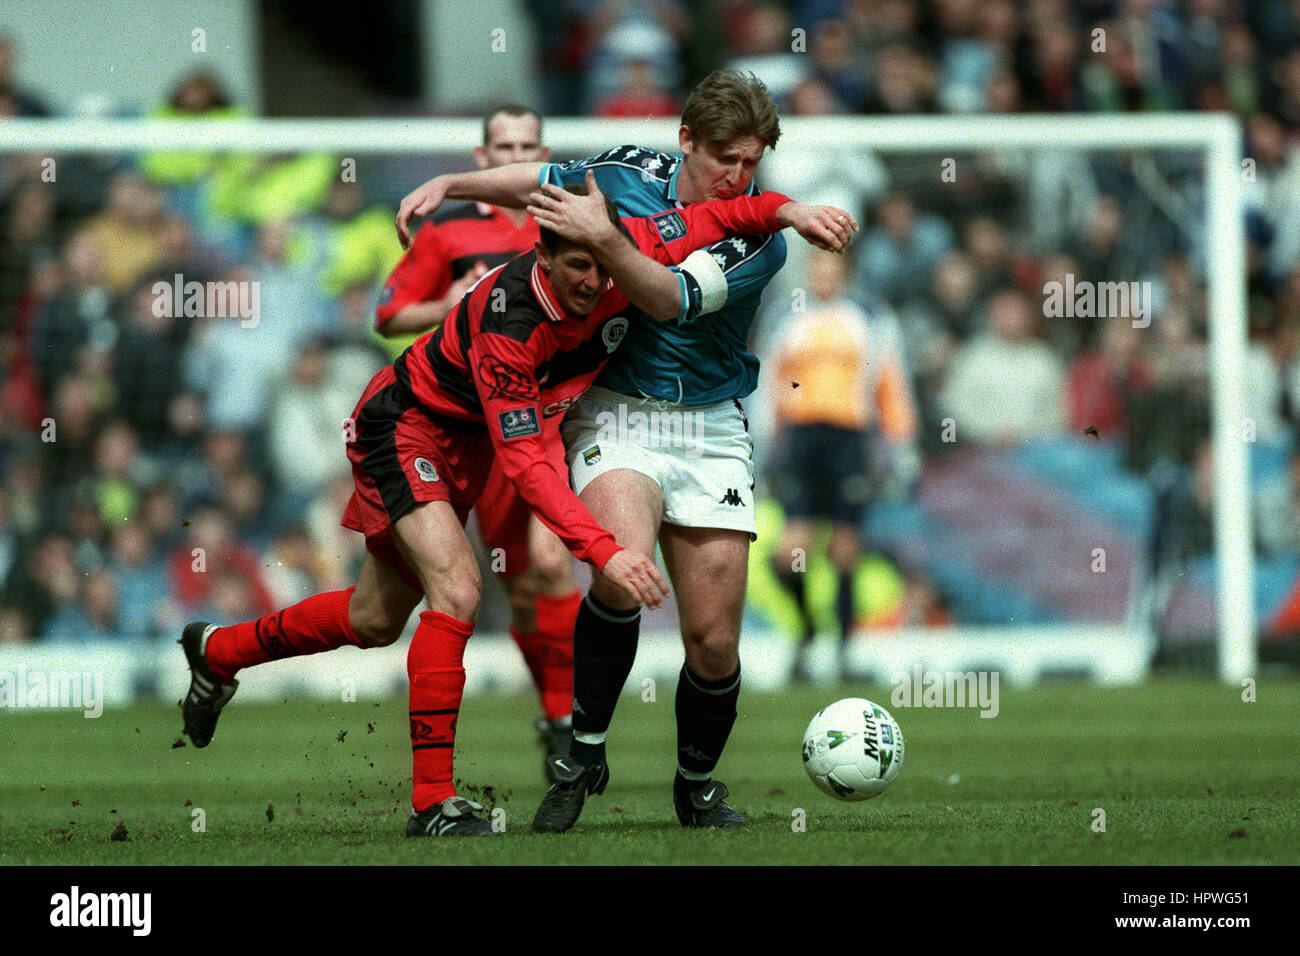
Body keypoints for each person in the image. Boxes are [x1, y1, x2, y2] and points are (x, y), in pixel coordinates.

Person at [182, 177, 840, 838]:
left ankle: (217, 653)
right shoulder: (510, 320)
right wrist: (604, 550)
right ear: (545, 256)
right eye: (576, 264)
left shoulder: (624, 243)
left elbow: (716, 215)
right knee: (458, 590)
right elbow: (529, 465)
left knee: (375, 618)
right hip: (405, 427)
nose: (592, 278)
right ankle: (433, 803)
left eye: (599, 260)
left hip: (465, 445)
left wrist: (791, 211)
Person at [395, 70, 857, 831]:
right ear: (685, 143)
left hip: (710, 426)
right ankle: (581, 755)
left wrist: (610, 238)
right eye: (723, 159)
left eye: (752, 163)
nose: (737, 177)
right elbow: (542, 182)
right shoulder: (626, 172)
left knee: (712, 640)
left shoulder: (761, 240)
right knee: (617, 569)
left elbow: (667, 297)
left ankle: (696, 785)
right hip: (617, 415)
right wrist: (451, 179)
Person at [376, 106, 581, 780]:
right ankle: (553, 716)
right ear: (483, 156)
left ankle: (567, 719)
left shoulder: (571, 219)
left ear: (542, 152)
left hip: (548, 419)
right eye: (503, 145)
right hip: (472, 429)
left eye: (527, 145)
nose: (514, 154)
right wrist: (455, 302)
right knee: (518, 585)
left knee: (551, 564)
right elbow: (390, 315)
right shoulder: (447, 230)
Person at [764, 248, 918, 682]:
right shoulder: (786, 318)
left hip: (850, 441)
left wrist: (902, 448)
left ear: (845, 273)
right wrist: (761, 446)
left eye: (832, 269)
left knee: (844, 552)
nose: (824, 276)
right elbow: (768, 385)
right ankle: (808, 628)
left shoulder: (868, 318)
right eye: (818, 268)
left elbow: (891, 383)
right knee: (788, 554)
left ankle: (844, 654)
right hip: (801, 441)